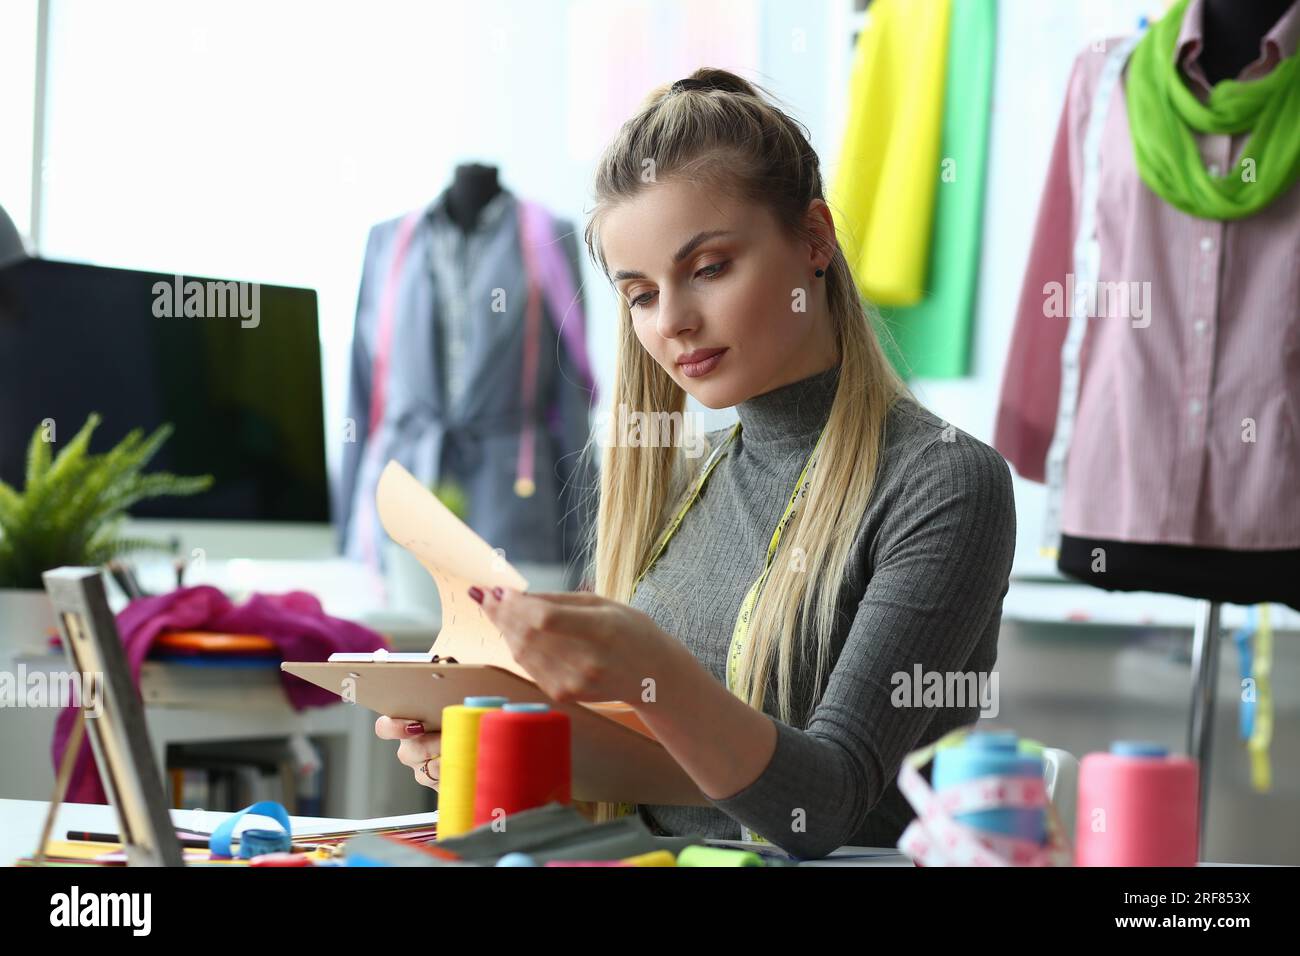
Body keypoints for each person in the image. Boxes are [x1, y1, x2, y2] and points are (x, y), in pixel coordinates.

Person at [376, 67, 1016, 859]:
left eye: (709, 268)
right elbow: (656, 782)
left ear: (815, 240)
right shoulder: (675, 483)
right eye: (640, 294)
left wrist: (656, 668)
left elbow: (828, 805)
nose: (673, 321)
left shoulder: (944, 482)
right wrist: (492, 740)